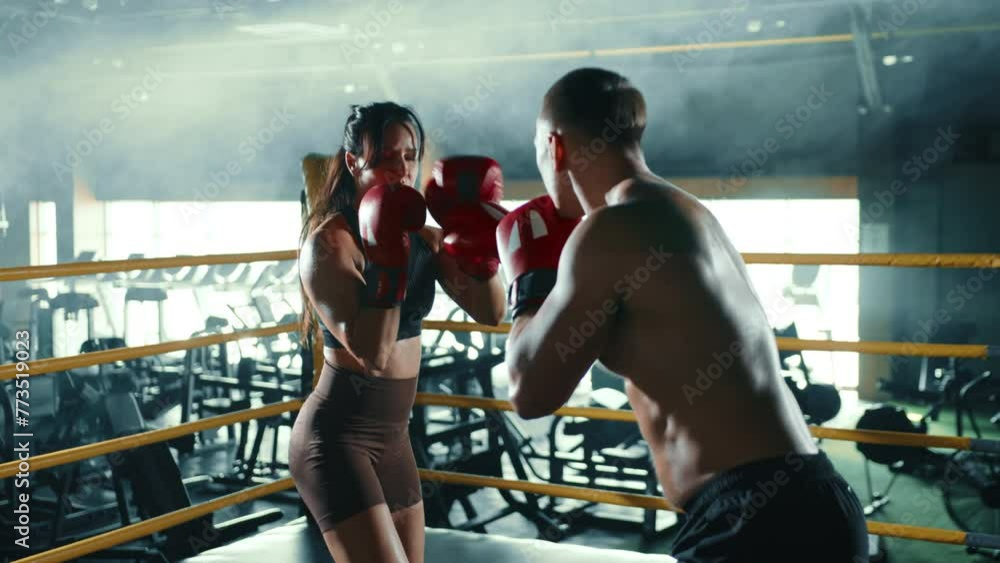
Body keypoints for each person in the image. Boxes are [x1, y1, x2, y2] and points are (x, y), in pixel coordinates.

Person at [496, 68, 868, 562]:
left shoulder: (609, 228)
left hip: (754, 523)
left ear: (555, 146)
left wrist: (528, 280)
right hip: (807, 500)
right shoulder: (686, 212)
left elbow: (529, 391)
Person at [290, 102, 507, 563]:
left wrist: (479, 244)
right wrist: (387, 256)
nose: (402, 169)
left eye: (410, 156)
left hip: (394, 439)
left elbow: (491, 312)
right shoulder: (329, 245)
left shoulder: (425, 239)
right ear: (353, 162)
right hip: (336, 439)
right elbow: (373, 353)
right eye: (388, 156)